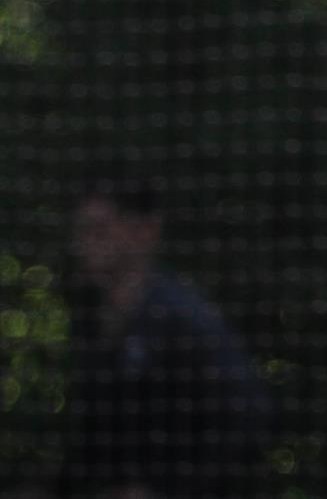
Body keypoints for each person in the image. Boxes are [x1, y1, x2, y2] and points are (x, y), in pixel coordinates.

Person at [47, 179, 272, 499]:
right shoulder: (89, 321)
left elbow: (249, 417)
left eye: (100, 230)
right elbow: (93, 438)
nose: (85, 243)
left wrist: (167, 490)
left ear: (145, 231)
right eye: (81, 231)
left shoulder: (182, 319)